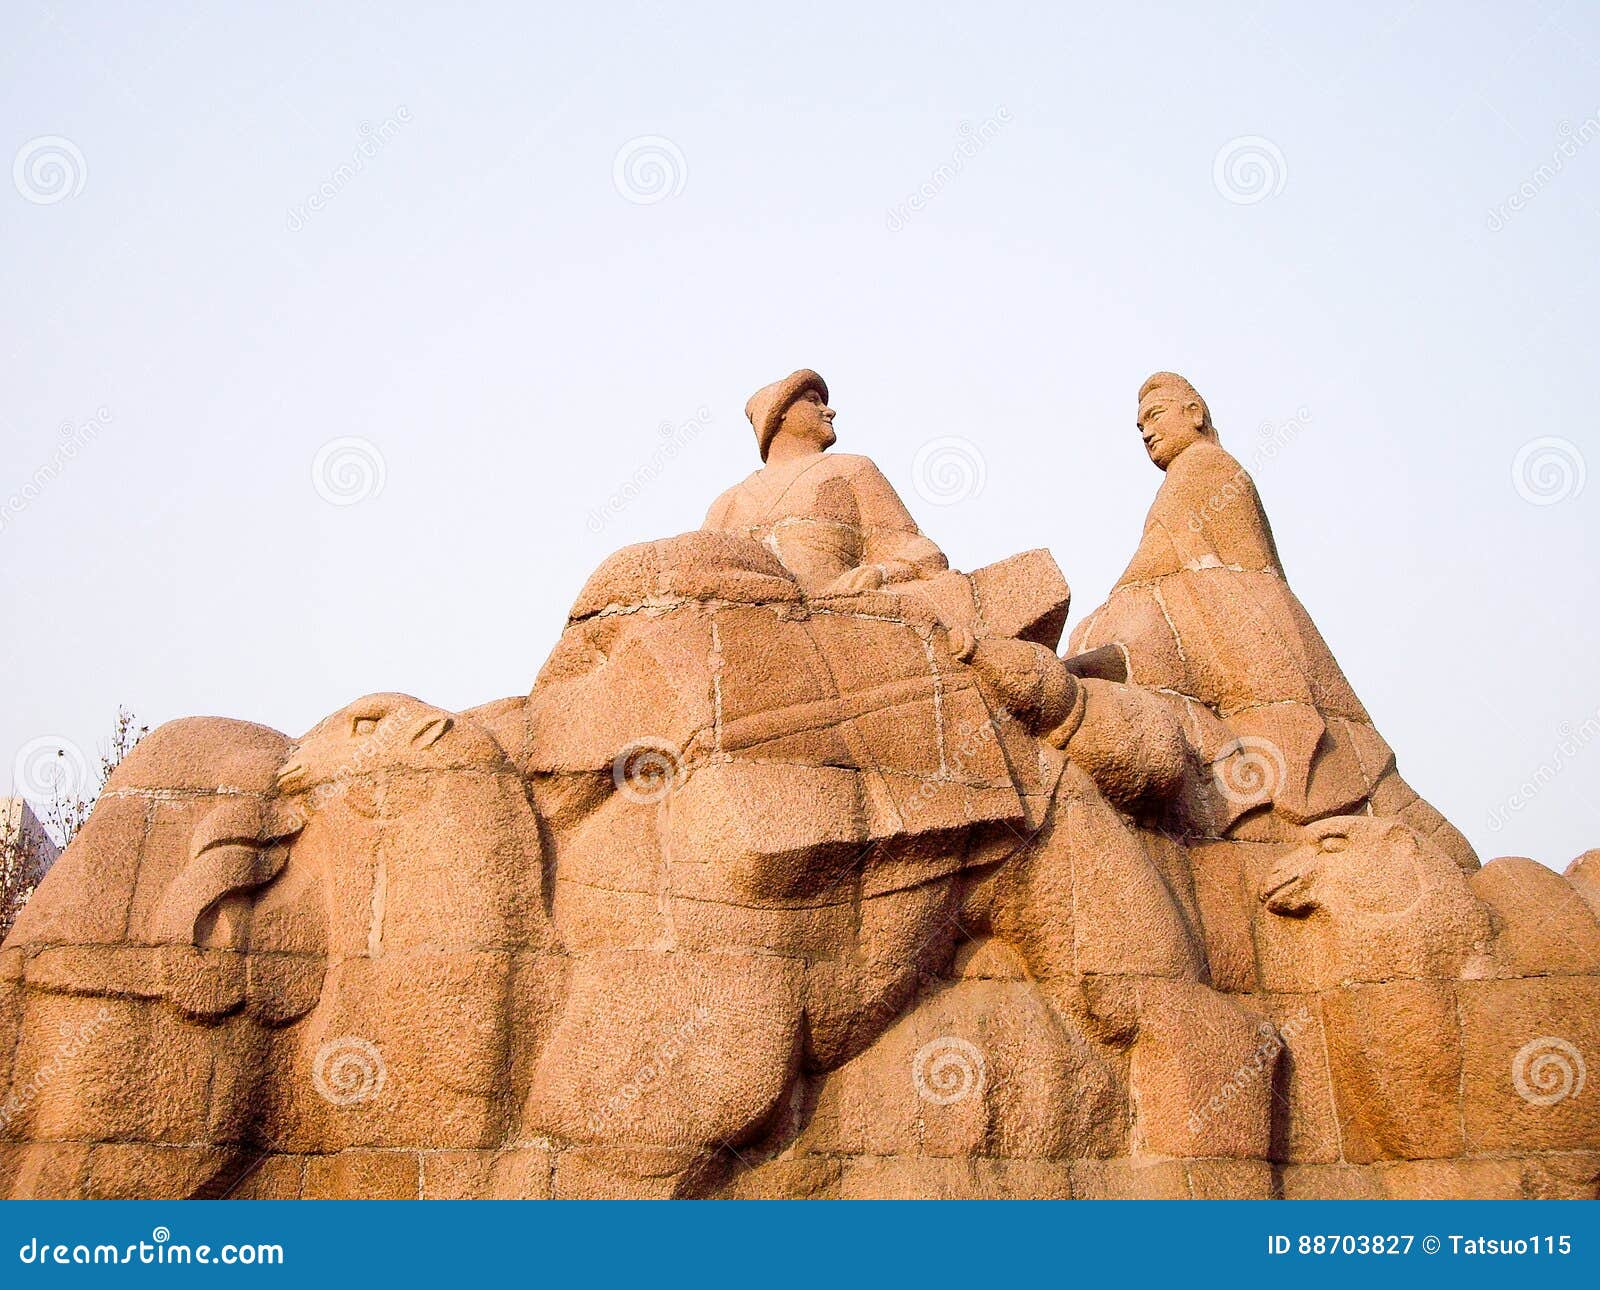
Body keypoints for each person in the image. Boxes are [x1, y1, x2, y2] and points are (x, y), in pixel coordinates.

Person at [1069, 372, 1478, 868]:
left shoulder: (1203, 467)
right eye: (1139, 428)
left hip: (1242, 629)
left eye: (1155, 417)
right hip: (1238, 621)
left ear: (1194, 413)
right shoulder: (1202, 471)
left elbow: (1152, 565)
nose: (1146, 433)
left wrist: (1089, 638)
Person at [703, 369, 949, 597]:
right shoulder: (729, 502)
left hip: (838, 606)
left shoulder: (852, 469)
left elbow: (920, 551)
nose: (829, 411)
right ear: (780, 413)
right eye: (812, 401)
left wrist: (879, 572)